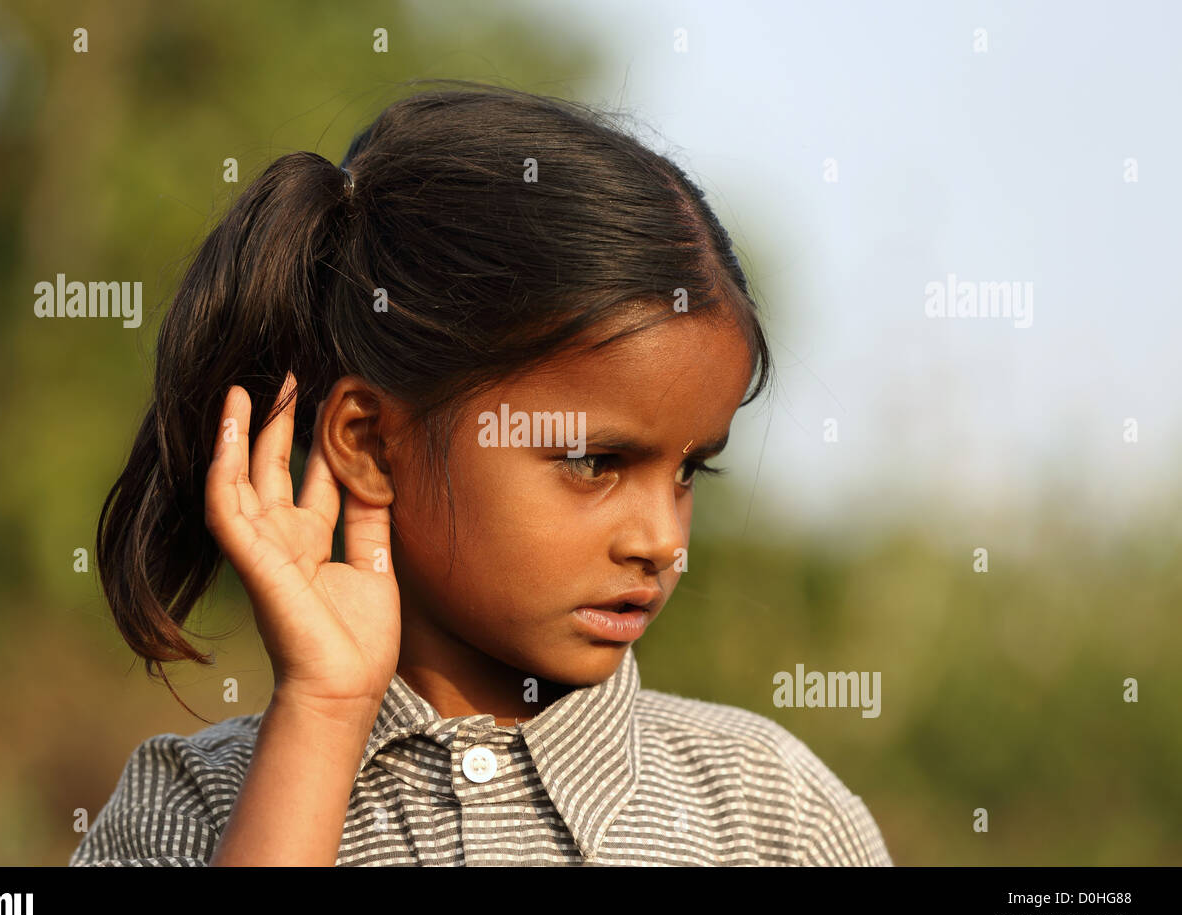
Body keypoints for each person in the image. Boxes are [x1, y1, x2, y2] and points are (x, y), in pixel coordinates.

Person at [69, 80, 893, 866]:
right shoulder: (191, 806)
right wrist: (321, 714)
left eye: (688, 473)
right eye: (594, 462)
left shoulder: (770, 812)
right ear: (369, 442)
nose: (662, 542)